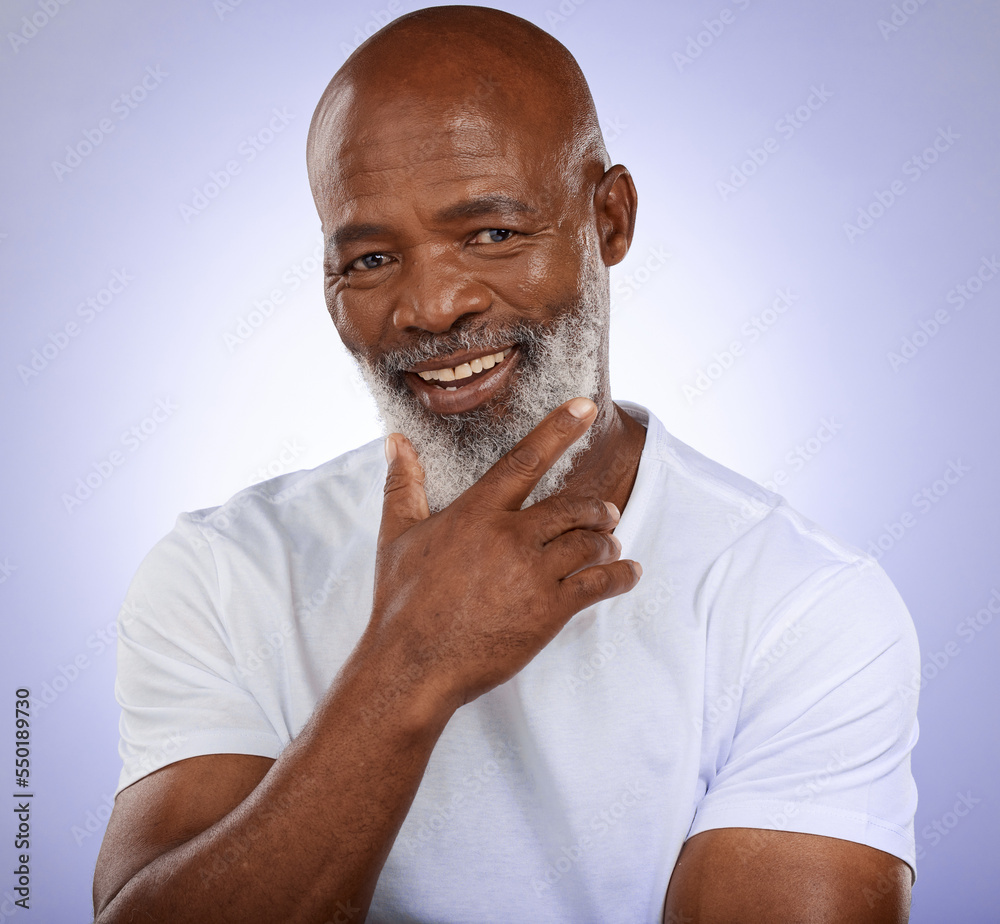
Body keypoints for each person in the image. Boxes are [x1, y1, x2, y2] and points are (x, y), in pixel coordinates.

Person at [93, 6, 919, 922]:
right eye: (371, 258)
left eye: (491, 234)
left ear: (609, 219)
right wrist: (410, 666)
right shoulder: (224, 573)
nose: (432, 306)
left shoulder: (801, 605)